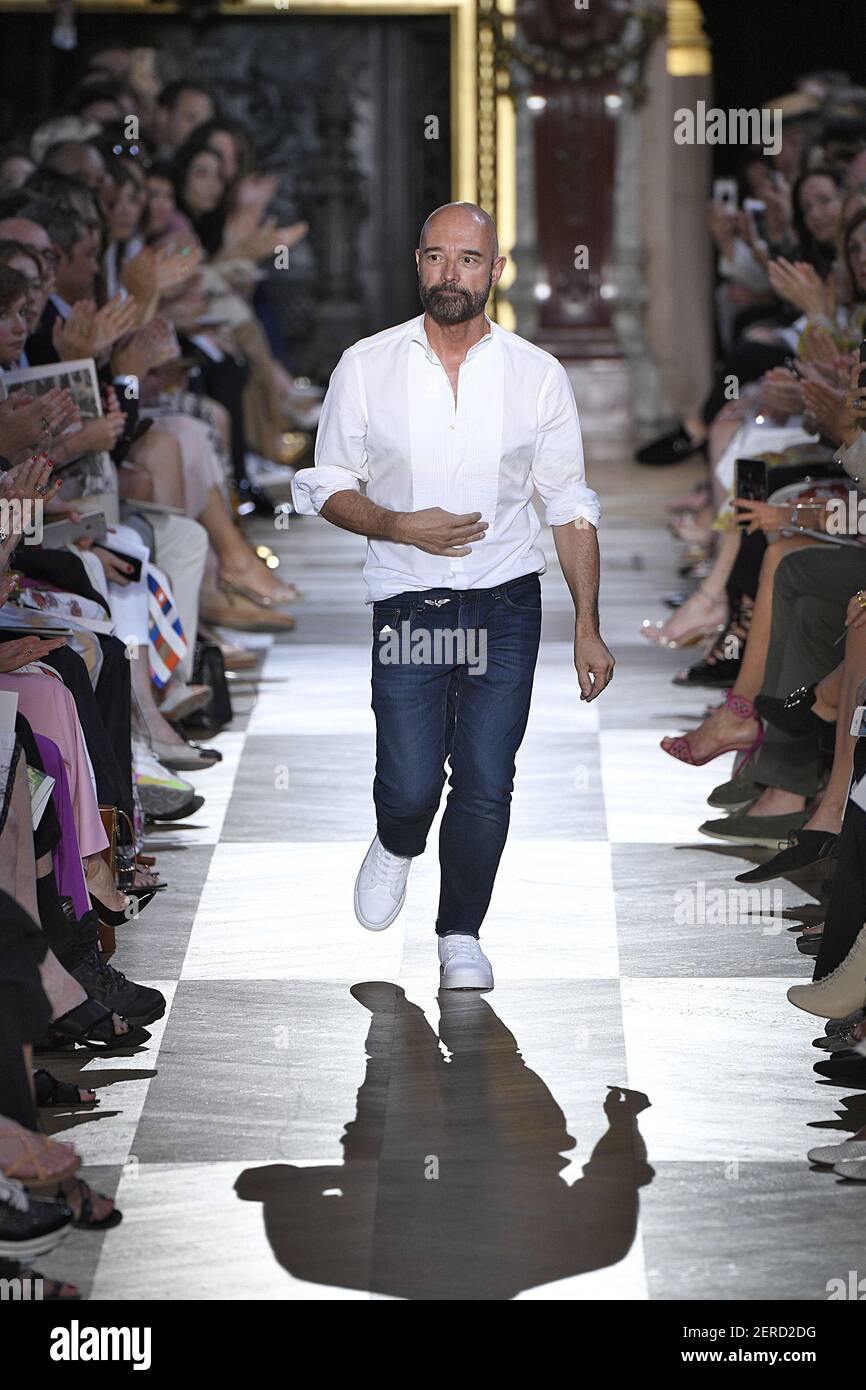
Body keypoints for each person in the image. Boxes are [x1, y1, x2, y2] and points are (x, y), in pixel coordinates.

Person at [291, 201, 614, 991]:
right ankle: (397, 841)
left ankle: (459, 933)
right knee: (407, 787)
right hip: (411, 603)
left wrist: (589, 629)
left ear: (495, 271)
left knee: (484, 779)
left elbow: (568, 505)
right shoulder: (366, 365)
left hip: (504, 603)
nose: (451, 274)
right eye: (437, 257)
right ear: (417, 262)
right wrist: (400, 525)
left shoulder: (537, 375)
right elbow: (325, 484)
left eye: (468, 260)